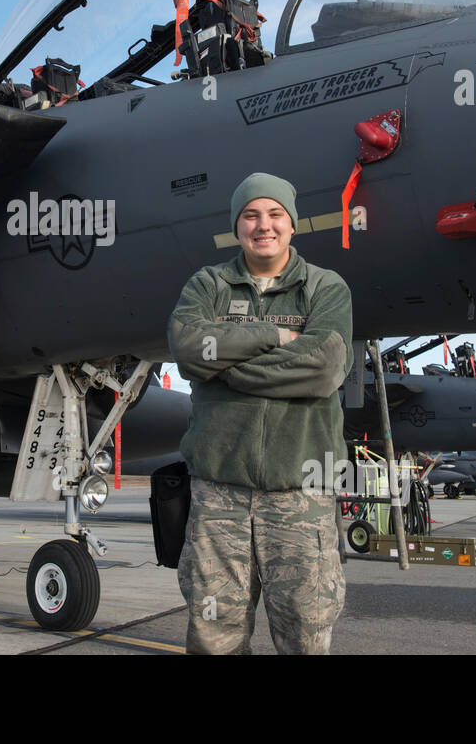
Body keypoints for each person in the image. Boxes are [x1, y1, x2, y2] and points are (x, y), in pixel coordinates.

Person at [167, 172, 353, 654]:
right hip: (219, 496)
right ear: (237, 226)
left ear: (292, 225)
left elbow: (325, 367)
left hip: (300, 497)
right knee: (214, 634)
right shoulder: (208, 284)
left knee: (305, 633)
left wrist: (227, 368)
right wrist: (273, 336)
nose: (262, 225)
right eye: (250, 215)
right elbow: (189, 348)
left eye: (274, 214)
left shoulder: (324, 288)